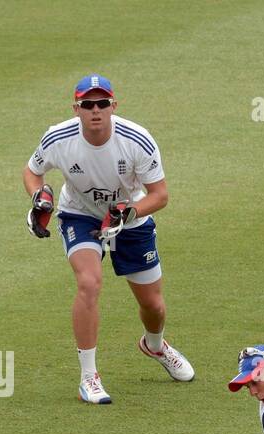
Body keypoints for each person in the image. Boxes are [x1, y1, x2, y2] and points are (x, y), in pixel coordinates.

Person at [23, 73, 194, 405]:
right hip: (80, 215)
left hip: (131, 219)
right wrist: (39, 196)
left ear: (114, 106)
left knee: (153, 305)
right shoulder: (57, 138)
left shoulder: (137, 140)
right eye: (88, 104)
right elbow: (32, 171)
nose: (96, 110)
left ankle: (155, 345)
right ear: (77, 109)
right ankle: (89, 377)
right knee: (89, 283)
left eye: (102, 103)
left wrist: (127, 213)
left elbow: (160, 195)